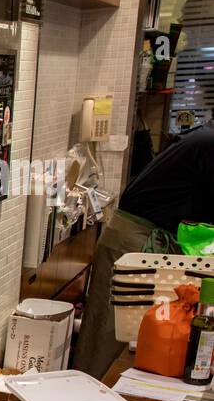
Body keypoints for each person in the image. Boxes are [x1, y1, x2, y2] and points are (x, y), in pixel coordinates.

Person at [74, 123, 214, 378]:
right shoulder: (208, 143)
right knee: (108, 337)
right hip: (133, 242)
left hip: (149, 240)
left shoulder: (204, 138)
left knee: (139, 336)